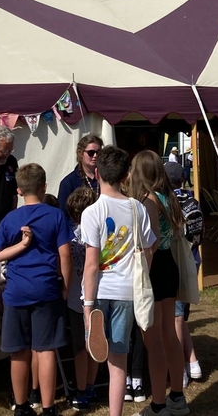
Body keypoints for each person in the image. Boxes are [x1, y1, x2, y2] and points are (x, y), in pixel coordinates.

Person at [0, 163, 72, 416]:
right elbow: (65, 254)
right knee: (45, 349)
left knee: (18, 351)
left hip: (16, 291)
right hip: (46, 288)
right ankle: (48, 408)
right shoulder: (55, 215)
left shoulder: (9, 219)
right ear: (44, 187)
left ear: (18, 190)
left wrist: (22, 246)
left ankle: (21, 405)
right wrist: (66, 286)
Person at [81, 146, 155, 416]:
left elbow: (90, 264)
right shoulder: (137, 208)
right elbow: (148, 248)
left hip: (100, 288)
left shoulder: (91, 212)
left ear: (97, 173)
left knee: (102, 344)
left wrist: (88, 306)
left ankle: (94, 328)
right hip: (127, 291)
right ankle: (116, 414)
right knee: (119, 359)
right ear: (126, 177)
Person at [129, 151, 190, 416]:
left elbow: (150, 244)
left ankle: (158, 404)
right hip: (168, 266)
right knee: (168, 336)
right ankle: (176, 396)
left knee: (152, 341)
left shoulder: (147, 201)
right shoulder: (168, 197)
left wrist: (141, 282)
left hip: (154, 268)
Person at [165, 161, 203, 386]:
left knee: (176, 319)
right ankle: (193, 363)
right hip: (193, 260)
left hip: (175, 262)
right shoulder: (193, 201)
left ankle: (179, 370)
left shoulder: (168, 202)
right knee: (180, 316)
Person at [65, 188, 100, 411]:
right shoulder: (98, 233)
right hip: (95, 295)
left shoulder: (70, 238)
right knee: (95, 343)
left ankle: (81, 390)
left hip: (76, 299)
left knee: (80, 347)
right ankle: (90, 385)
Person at [59, 134, 102, 212]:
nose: (95, 156)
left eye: (98, 152)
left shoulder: (106, 178)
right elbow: (63, 213)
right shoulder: (69, 182)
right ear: (81, 153)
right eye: (91, 153)